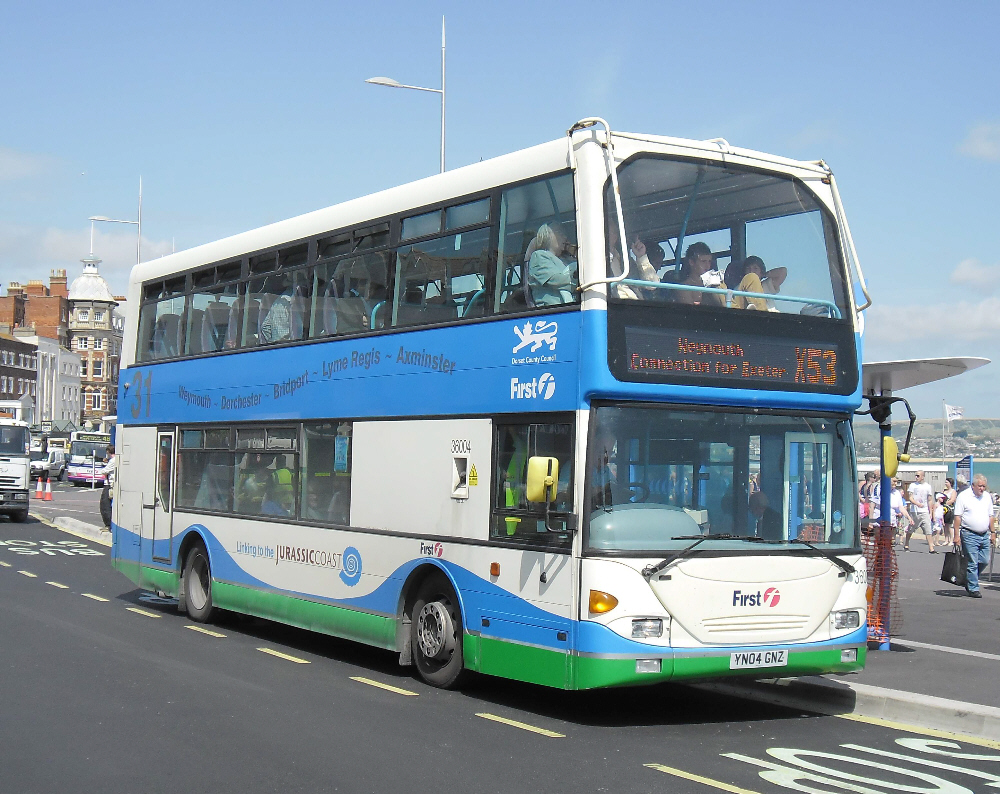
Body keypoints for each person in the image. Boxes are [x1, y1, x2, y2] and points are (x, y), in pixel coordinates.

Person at [952, 474, 996, 598]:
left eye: (984, 486)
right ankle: (973, 588)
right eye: (979, 486)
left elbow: (990, 516)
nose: (982, 489)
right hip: (969, 533)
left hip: (984, 534)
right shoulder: (964, 496)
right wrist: (956, 536)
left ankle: (968, 578)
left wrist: (992, 532)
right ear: (973, 486)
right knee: (972, 562)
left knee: (984, 560)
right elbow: (957, 517)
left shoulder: (987, 497)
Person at [526, 223, 578, 306]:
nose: (565, 237)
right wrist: (582, 279)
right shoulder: (539, 256)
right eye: (560, 233)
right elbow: (557, 281)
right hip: (552, 312)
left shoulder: (567, 261)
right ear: (548, 235)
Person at [674, 242, 726, 306]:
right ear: (691, 262)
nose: (707, 266)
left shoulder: (715, 284)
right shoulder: (683, 288)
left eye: (709, 261)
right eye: (703, 261)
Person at [905, 470, 936, 552]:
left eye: (918, 476)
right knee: (911, 529)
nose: (916, 477)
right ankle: (906, 544)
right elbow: (910, 498)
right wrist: (917, 503)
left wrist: (931, 512)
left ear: (923, 476)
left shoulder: (927, 486)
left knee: (928, 529)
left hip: (924, 511)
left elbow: (930, 500)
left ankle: (931, 548)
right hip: (915, 511)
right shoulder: (913, 485)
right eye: (916, 475)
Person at [98, 444, 117, 529]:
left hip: (109, 485)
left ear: (108, 452)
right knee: (107, 504)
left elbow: (104, 471)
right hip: (111, 484)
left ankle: (108, 524)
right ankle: (109, 524)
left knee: (104, 505)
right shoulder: (113, 460)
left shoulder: (113, 461)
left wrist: (102, 468)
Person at [942, 477, 958, 547]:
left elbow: (953, 500)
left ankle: (951, 540)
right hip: (943, 510)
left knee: (949, 525)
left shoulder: (953, 491)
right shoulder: (944, 491)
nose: (945, 483)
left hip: (950, 509)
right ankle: (946, 539)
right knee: (945, 525)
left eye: (947, 482)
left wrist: (946, 503)